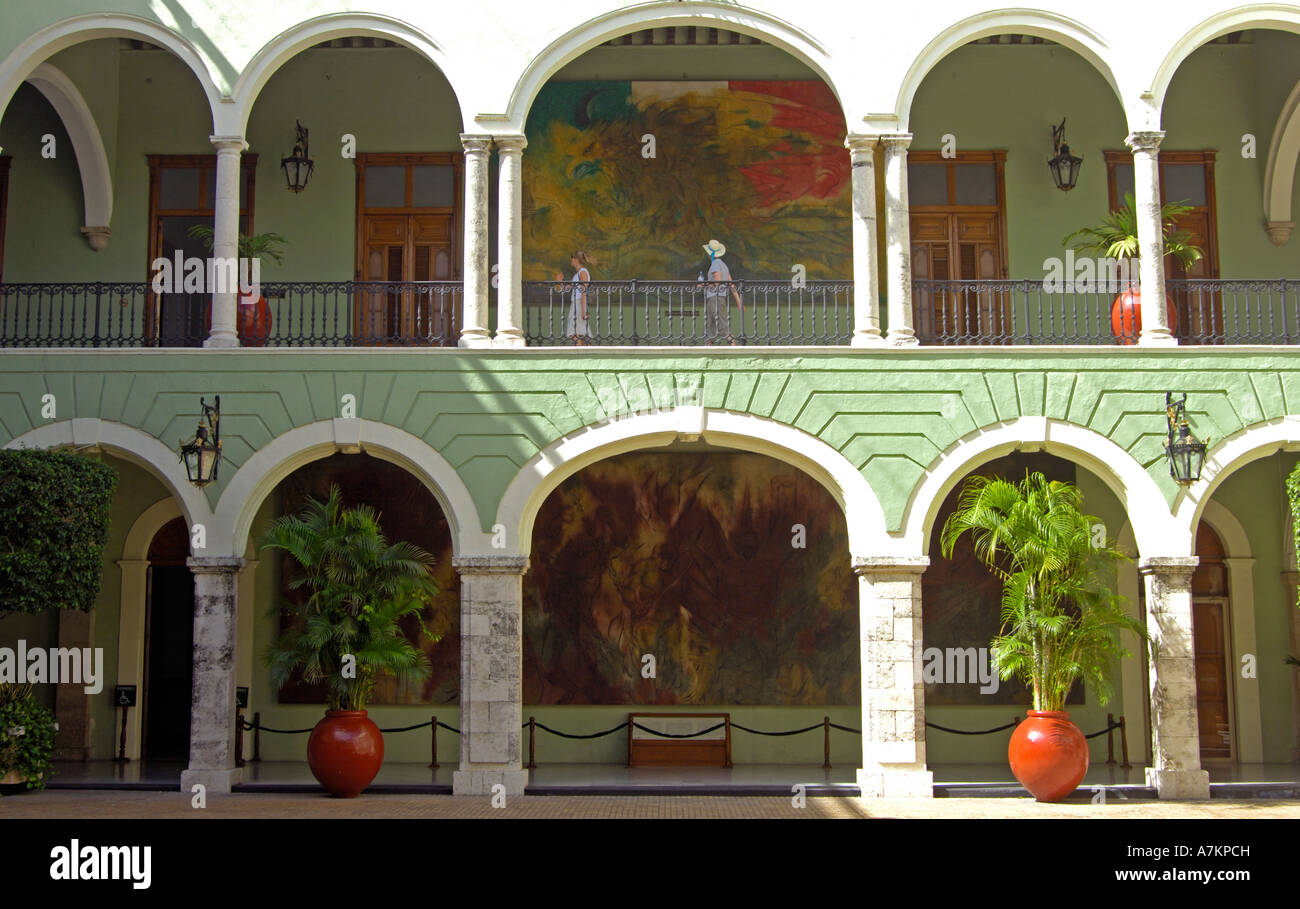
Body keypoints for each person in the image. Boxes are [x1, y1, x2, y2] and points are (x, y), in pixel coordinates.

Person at [698, 239, 743, 345]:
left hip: (715, 297)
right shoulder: (724, 265)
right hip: (719, 297)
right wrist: (739, 302)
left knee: (720, 324)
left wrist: (703, 284)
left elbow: (716, 282)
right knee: (711, 324)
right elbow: (731, 284)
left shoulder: (715, 264)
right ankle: (708, 345)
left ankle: (732, 343)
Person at [555, 251, 594, 345]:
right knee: (577, 332)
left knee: (577, 332)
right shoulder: (577, 274)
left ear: (576, 259)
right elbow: (565, 289)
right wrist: (559, 281)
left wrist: (584, 311)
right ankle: (583, 351)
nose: (571, 260)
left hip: (579, 303)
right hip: (576, 303)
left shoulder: (583, 272)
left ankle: (581, 351)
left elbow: (584, 291)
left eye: (571, 258)